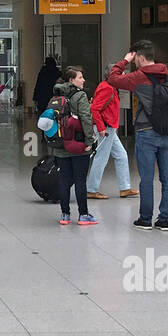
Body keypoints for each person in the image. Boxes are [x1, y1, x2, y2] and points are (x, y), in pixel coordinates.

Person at [107, 40, 168, 232]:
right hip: (167, 133)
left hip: (146, 131)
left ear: (140, 57)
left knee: (146, 178)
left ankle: (145, 219)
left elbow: (113, 78)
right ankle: (164, 220)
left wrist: (123, 61)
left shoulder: (138, 76)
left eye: (135, 58)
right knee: (167, 177)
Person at [48, 66, 98, 226]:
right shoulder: (80, 95)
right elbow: (85, 118)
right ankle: (83, 215)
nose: (83, 80)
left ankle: (65, 215)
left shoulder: (57, 95)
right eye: (80, 77)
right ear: (71, 80)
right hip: (78, 143)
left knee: (64, 179)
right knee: (80, 180)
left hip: (61, 144)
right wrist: (89, 141)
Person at [86, 77, 137, 201]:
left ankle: (125, 188)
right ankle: (91, 190)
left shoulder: (111, 87)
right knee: (101, 158)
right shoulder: (107, 88)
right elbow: (95, 109)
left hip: (109, 128)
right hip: (105, 129)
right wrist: (101, 127)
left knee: (121, 155)